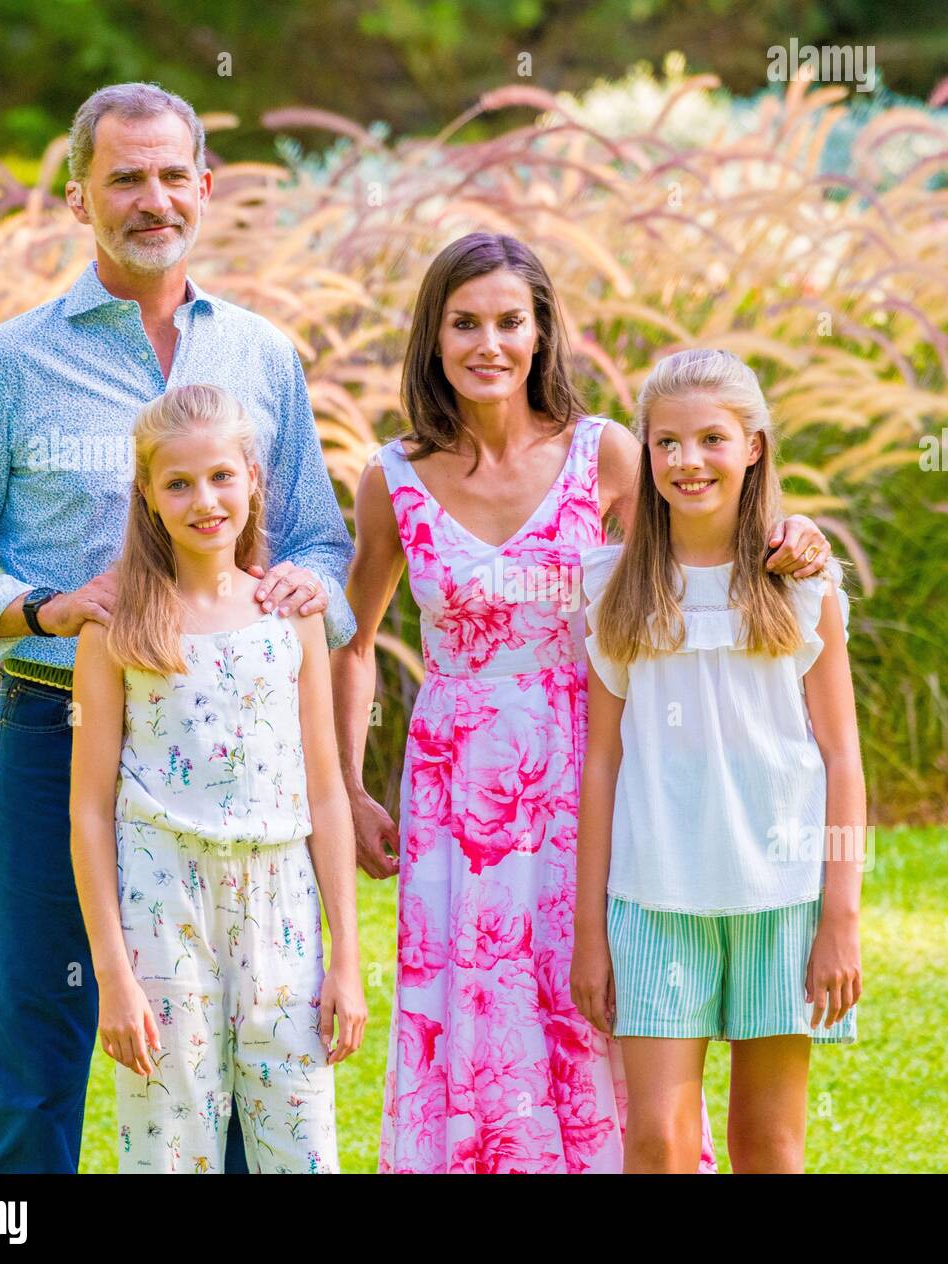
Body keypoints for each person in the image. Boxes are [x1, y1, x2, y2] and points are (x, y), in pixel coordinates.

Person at [0, 82, 354, 1173]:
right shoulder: (8, 364)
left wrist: (304, 592)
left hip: (233, 749)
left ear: (205, 186)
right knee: (36, 1050)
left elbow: (321, 543)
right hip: (61, 732)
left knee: (238, 1053)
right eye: (125, 179)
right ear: (78, 198)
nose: (153, 199)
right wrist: (46, 607)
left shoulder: (262, 356)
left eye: (171, 175)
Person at [332, 232, 834, 1171]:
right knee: (475, 1011)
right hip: (454, 791)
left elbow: (704, 542)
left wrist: (792, 530)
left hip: (592, 764)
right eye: (465, 323)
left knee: (597, 1004)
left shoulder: (601, 453)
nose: (489, 344)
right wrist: (352, 788)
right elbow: (352, 643)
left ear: (541, 332)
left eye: (509, 322)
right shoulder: (390, 478)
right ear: (433, 337)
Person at [571, 348, 865, 1174]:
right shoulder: (612, 586)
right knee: (657, 1139)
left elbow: (842, 758)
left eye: (711, 439)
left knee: (767, 1142)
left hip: (784, 897)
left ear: (754, 447)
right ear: (646, 451)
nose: (687, 461)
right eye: (666, 442)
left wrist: (840, 917)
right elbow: (602, 762)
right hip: (654, 897)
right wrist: (591, 931)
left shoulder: (801, 584)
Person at [69, 384, 365, 1173]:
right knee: (170, 1145)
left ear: (253, 478)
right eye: (179, 483)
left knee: (300, 1144)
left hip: (281, 903)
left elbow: (325, 790)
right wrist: (114, 975)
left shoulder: (291, 615)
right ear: (147, 494)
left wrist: (346, 957)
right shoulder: (116, 628)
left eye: (221, 477)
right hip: (164, 903)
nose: (204, 501)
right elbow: (89, 810)